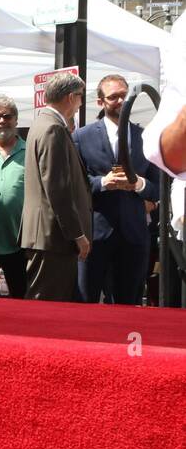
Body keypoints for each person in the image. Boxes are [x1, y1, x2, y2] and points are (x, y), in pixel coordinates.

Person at [73, 74, 159, 305]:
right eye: (114, 97)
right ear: (100, 102)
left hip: (133, 235)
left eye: (125, 95)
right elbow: (73, 185)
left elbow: (158, 188)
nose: (121, 101)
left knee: (128, 305)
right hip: (94, 236)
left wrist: (139, 184)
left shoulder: (145, 136)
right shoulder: (82, 136)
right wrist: (102, 183)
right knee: (86, 303)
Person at [22, 72, 94, 301]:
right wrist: (78, 234)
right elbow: (57, 188)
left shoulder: (44, 124)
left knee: (48, 302)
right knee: (46, 304)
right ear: (71, 98)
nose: (81, 103)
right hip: (53, 237)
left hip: (48, 236)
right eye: (81, 97)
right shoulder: (53, 128)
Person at [0, 95, 28, 299]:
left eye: (7, 116)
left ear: (16, 119)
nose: (1, 121)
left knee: (22, 299)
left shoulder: (31, 152)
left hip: (19, 240)